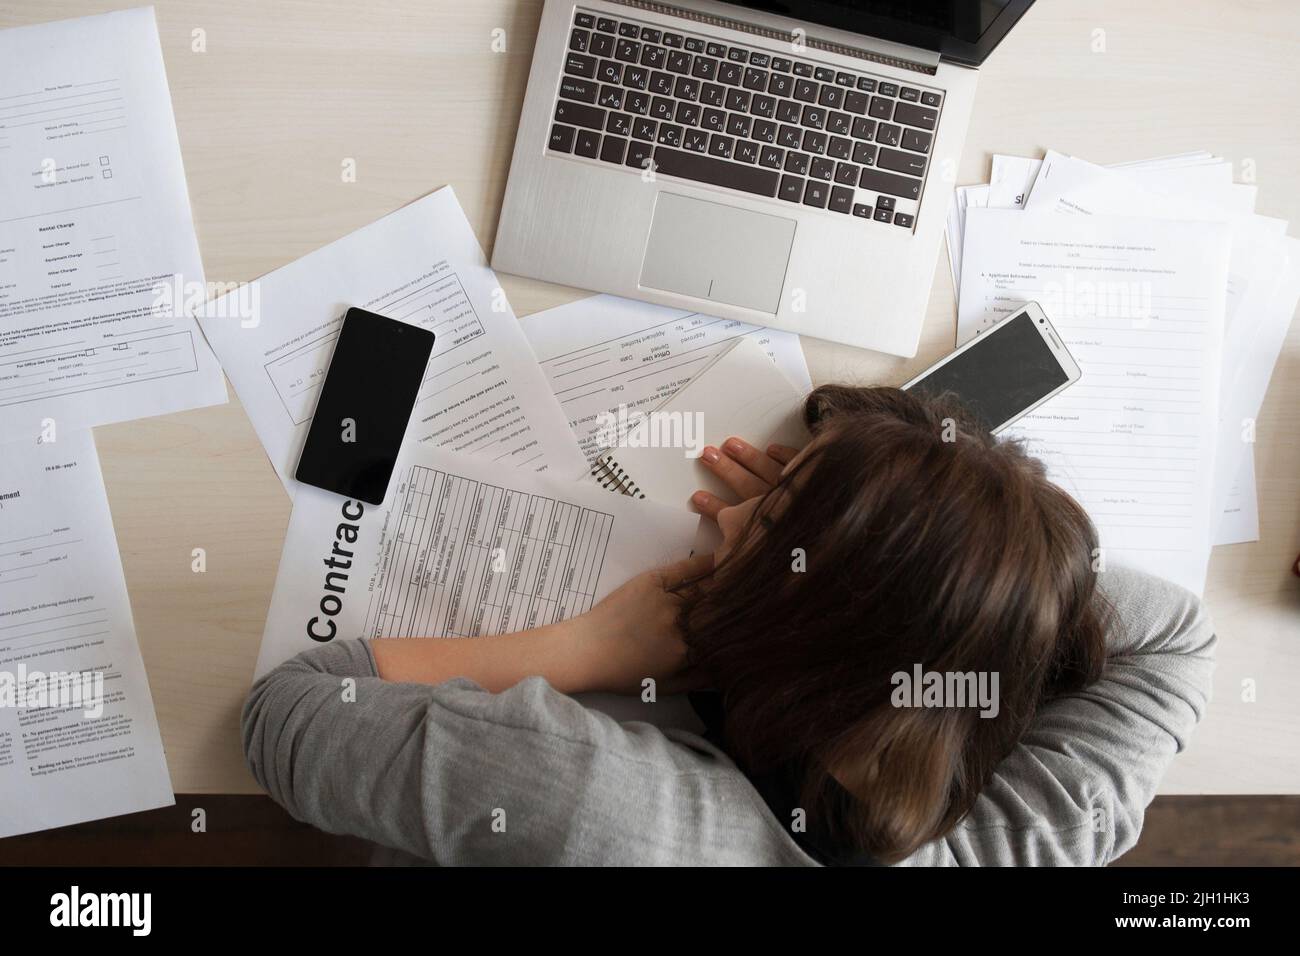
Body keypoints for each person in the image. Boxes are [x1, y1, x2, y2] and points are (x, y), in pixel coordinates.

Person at [242, 385, 1216, 865]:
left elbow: (286, 714)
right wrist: (924, 539)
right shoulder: (1009, 841)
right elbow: (1176, 636)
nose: (732, 512)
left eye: (770, 518)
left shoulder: (598, 800)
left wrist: (584, 648)